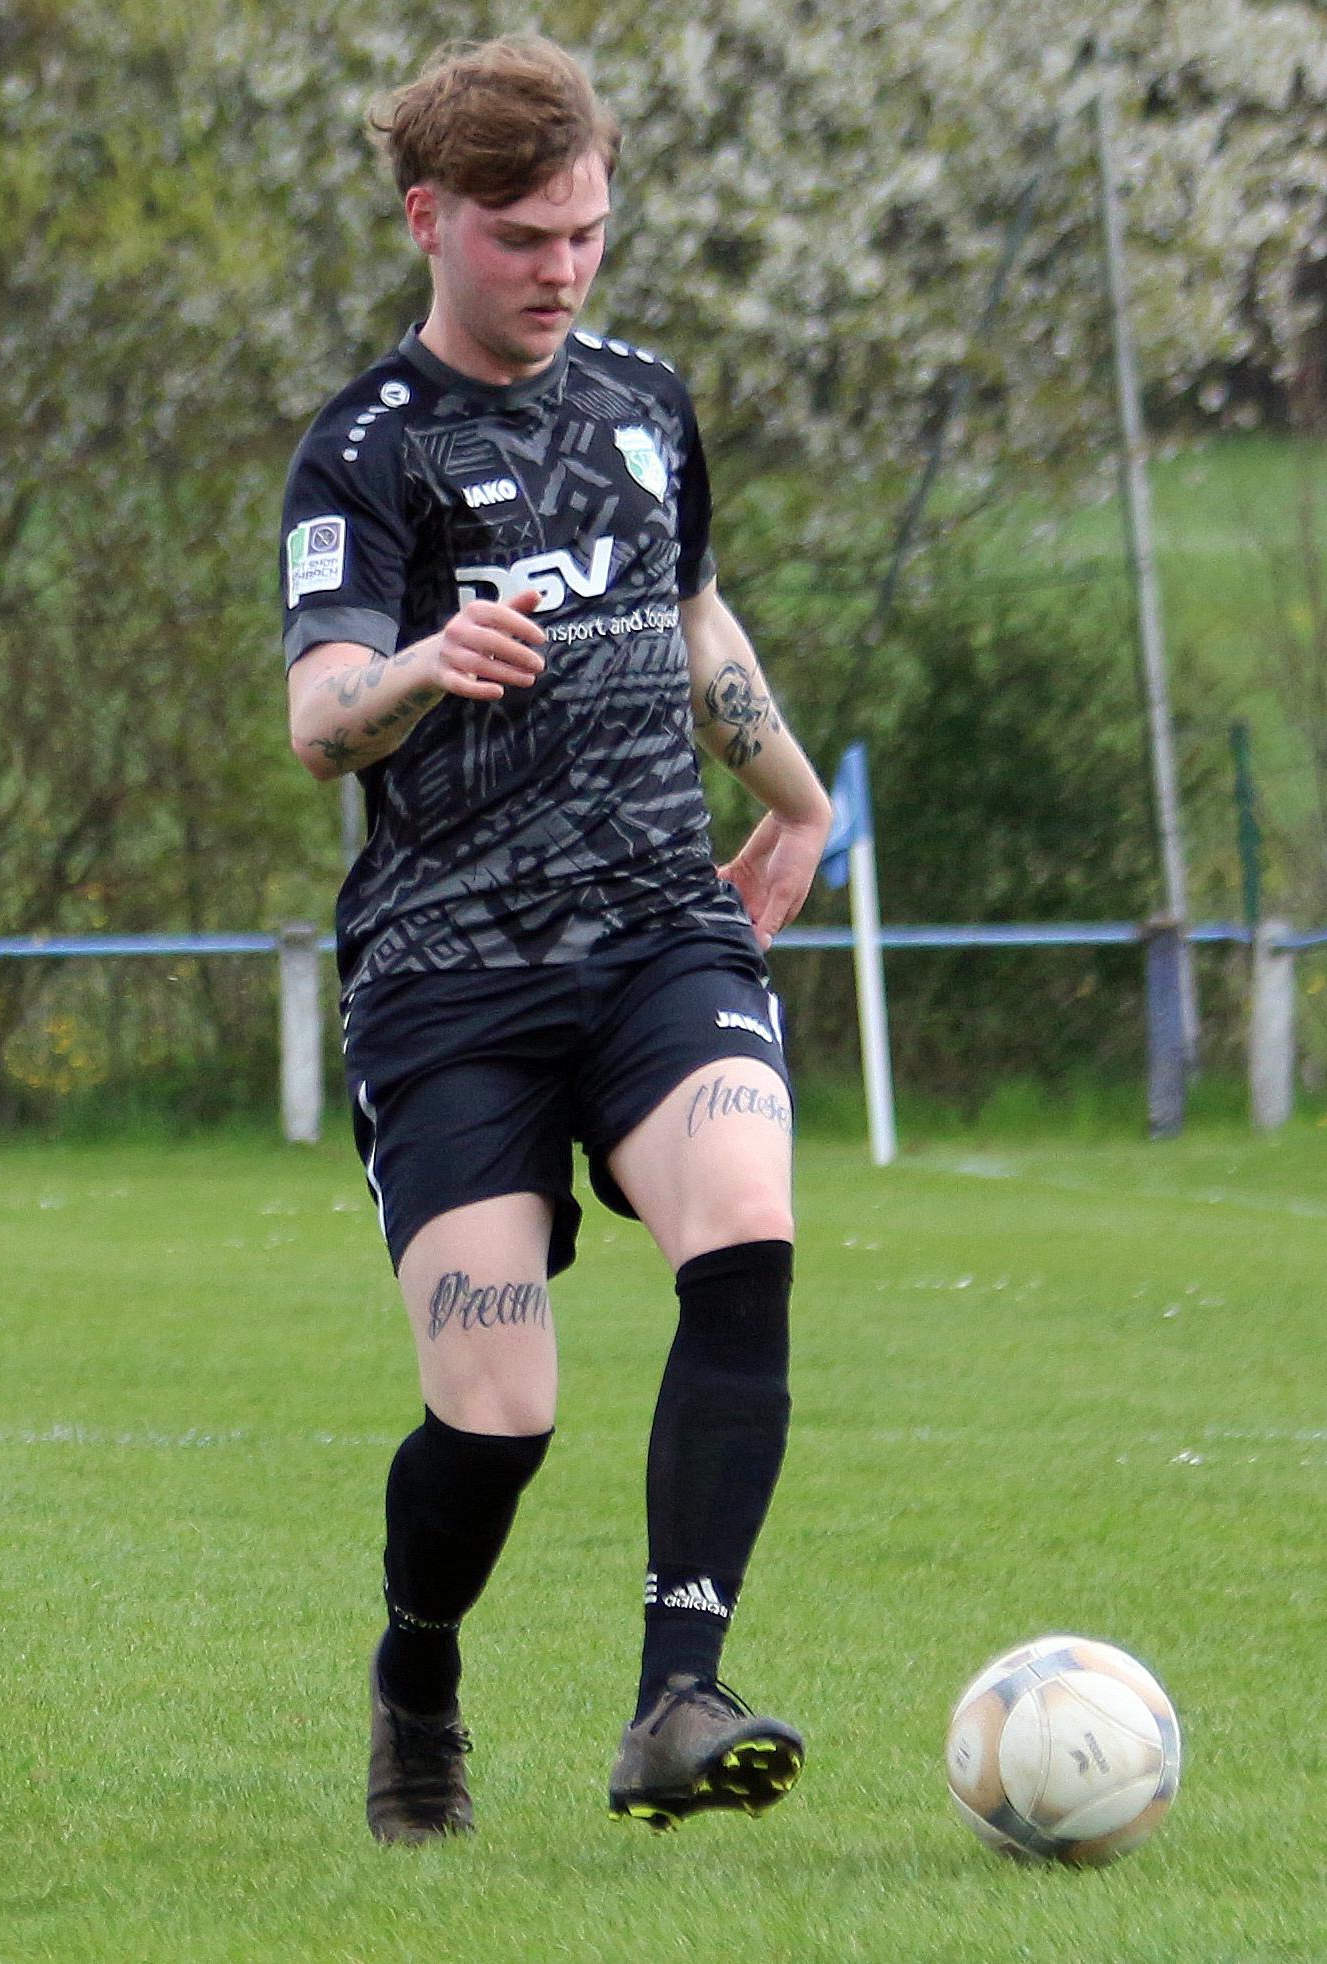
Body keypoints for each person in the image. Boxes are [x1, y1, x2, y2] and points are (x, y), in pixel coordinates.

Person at [278, 37, 832, 1843]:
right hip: (449, 978)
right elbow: (318, 712)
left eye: (587, 229)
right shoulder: (365, 451)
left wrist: (794, 791)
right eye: (525, 235)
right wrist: (421, 664)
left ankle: (679, 1688)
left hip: (659, 926)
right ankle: (417, 1671)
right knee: (495, 1406)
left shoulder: (646, 402)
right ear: (428, 219)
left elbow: (684, 604)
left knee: (744, 1222)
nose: (564, 265)